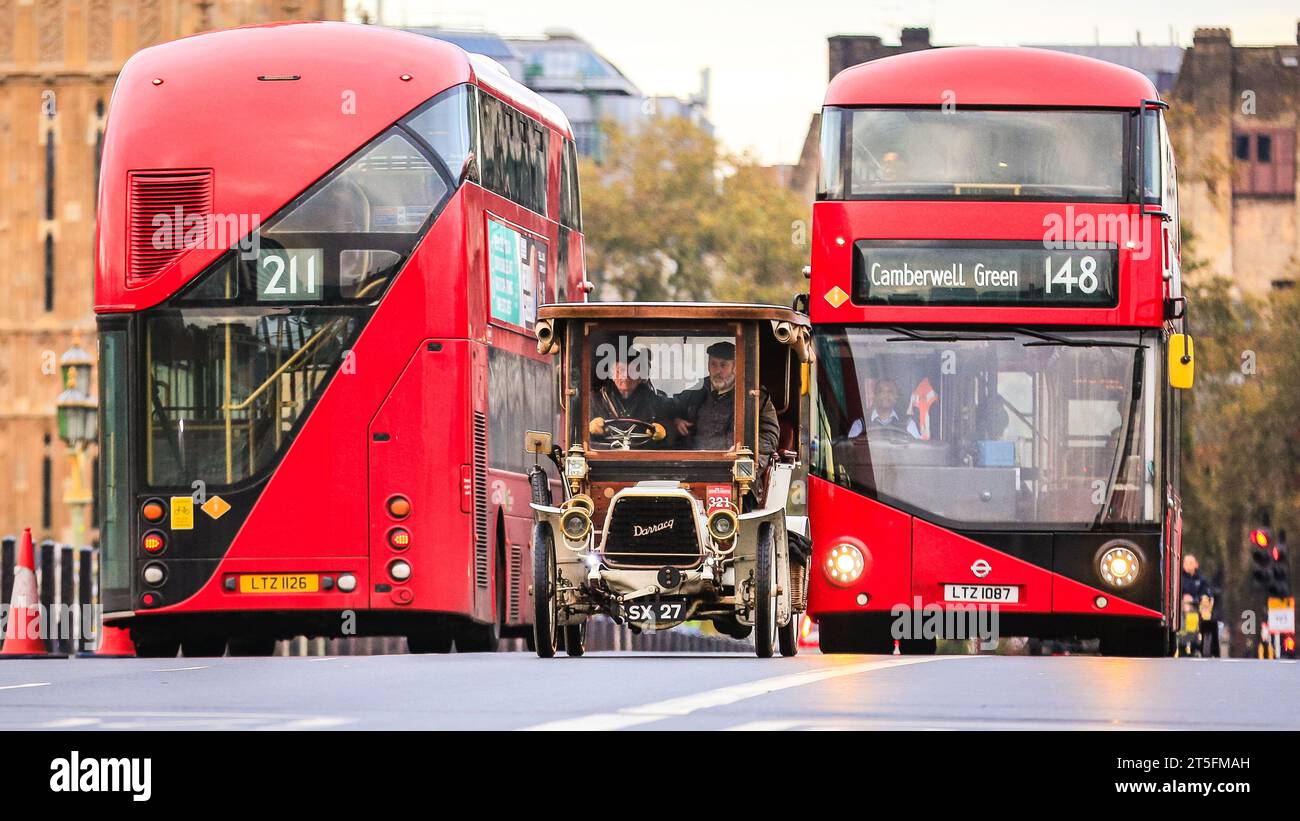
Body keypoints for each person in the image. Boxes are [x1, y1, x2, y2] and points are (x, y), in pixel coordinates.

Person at [672, 341, 780, 460]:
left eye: (723, 365)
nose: (717, 371)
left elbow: (769, 437)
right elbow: (668, 407)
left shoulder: (755, 397)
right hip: (693, 462)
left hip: (733, 464)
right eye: (713, 364)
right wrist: (675, 420)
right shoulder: (696, 392)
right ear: (708, 365)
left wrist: (743, 451)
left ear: (736, 367)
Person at [588, 346, 672, 447]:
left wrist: (664, 433)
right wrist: (590, 429)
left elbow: (671, 437)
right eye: (620, 371)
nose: (626, 376)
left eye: (632, 371)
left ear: (641, 377)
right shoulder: (595, 400)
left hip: (642, 454)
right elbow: (581, 436)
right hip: (605, 454)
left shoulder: (655, 402)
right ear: (612, 375)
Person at [848, 378, 919, 438]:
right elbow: (849, 448)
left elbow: (920, 447)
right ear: (874, 396)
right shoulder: (860, 425)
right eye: (880, 391)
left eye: (890, 391)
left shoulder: (908, 423)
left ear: (896, 397)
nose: (885, 395)